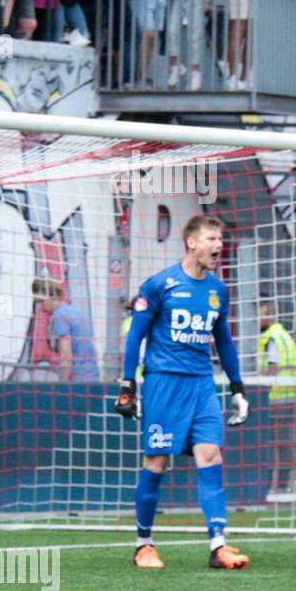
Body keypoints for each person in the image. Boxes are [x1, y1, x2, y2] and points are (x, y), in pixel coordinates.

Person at [114, 215, 252, 571]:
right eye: (211, 238)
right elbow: (136, 337)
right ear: (192, 242)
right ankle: (144, 544)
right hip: (163, 384)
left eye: (220, 238)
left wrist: (237, 388)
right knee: (157, 462)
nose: (218, 245)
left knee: (211, 455)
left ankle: (218, 546)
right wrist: (128, 384)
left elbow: (223, 340)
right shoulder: (160, 285)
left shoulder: (218, 291)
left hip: (202, 384)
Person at [258, 299, 296, 494]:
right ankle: (282, 485)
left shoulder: (271, 337)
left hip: (275, 398)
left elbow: (272, 367)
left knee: (272, 444)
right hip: (291, 395)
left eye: (260, 314)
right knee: (284, 444)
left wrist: (260, 376)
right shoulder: (285, 335)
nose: (257, 318)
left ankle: (271, 485)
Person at [35, 278, 101, 380]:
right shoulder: (74, 311)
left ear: (50, 297)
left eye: (40, 301)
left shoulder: (59, 316)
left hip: (78, 380)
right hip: (92, 376)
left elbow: (66, 357)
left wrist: (62, 386)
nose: (40, 307)